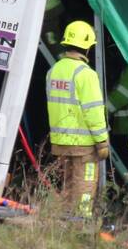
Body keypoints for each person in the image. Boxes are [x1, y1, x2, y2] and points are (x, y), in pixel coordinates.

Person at [44, 20, 108, 223]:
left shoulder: (54, 70)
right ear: (88, 46)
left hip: (60, 141)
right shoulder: (86, 74)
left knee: (69, 184)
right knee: (85, 185)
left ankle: (63, 221)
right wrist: (102, 141)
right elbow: (94, 112)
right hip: (84, 144)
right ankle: (80, 223)